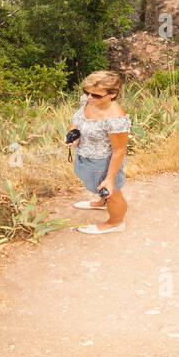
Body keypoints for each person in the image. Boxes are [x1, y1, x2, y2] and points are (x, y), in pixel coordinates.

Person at [65, 70, 131, 234]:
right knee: (98, 187)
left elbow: (119, 150)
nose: (89, 98)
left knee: (112, 192)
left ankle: (115, 223)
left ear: (113, 94)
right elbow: (79, 119)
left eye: (96, 95)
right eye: (86, 92)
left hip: (103, 162)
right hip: (85, 155)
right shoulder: (89, 101)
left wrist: (110, 179)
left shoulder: (115, 119)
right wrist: (74, 133)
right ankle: (102, 203)